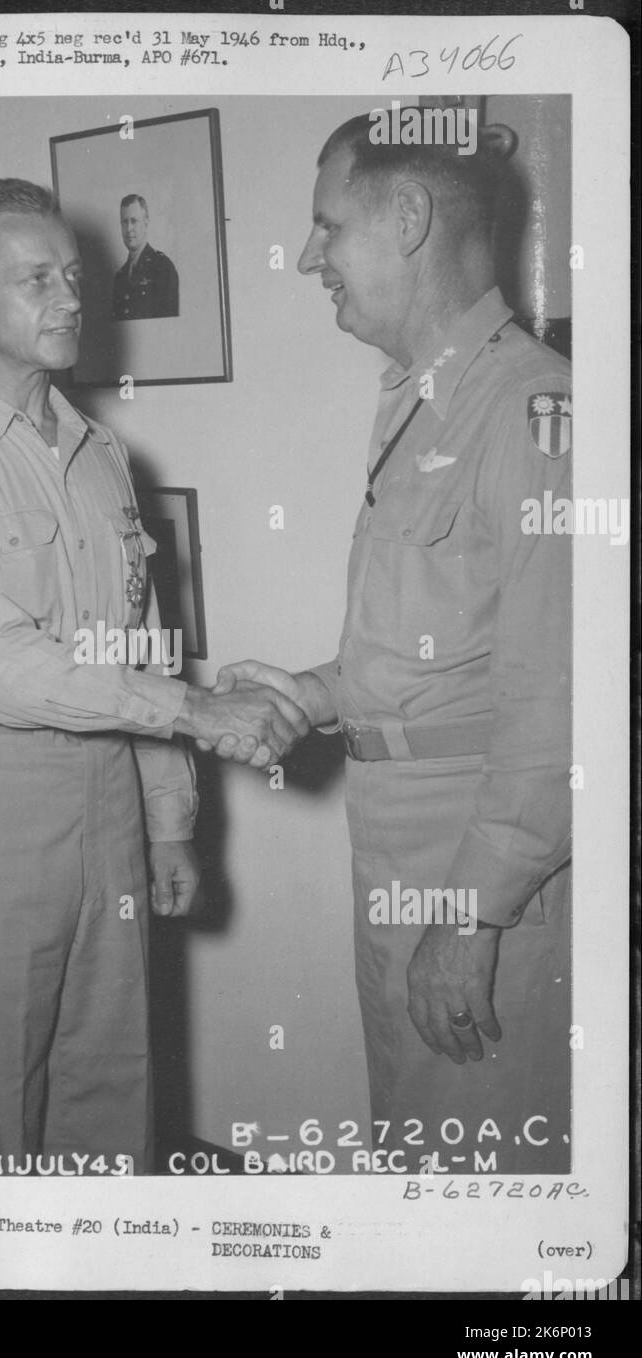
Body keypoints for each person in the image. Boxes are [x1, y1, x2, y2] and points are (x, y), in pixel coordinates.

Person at [0, 179, 305, 1173]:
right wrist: (197, 713)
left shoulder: (102, 455)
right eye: (33, 280)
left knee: (112, 1088)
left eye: (70, 276)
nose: (66, 298)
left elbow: (137, 636)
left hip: (108, 797)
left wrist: (167, 816)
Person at [214, 115, 572, 1173]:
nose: (306, 255)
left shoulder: (530, 408)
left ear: (407, 217)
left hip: (478, 861)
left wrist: (469, 917)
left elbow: (557, 697)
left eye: (327, 225)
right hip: (407, 840)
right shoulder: (427, 402)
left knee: (482, 1178)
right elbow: (439, 649)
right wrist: (311, 692)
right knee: (420, 1151)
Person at [111, 195, 180, 320]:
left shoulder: (162, 267)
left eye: (134, 221)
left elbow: (170, 325)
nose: (128, 229)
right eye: (124, 222)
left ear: (146, 222)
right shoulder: (119, 277)